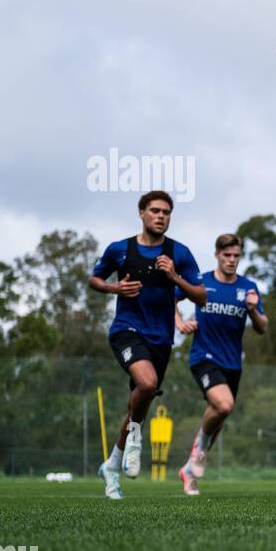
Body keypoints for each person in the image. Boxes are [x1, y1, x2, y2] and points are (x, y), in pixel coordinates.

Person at [89, 191, 205, 499]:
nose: (161, 216)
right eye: (155, 211)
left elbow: (201, 295)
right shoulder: (120, 249)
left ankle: (111, 467)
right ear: (141, 213)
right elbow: (94, 279)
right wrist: (114, 287)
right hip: (126, 331)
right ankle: (136, 440)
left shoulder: (179, 253)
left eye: (166, 212)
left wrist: (175, 277)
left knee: (138, 402)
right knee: (148, 383)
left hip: (161, 339)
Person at [174, 233, 268, 496]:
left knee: (220, 417)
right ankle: (199, 451)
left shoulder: (248, 288)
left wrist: (252, 309)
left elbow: (263, 327)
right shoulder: (201, 281)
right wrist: (180, 324)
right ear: (217, 254)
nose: (231, 260)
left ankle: (189, 472)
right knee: (225, 404)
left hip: (233, 363)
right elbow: (171, 299)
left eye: (236, 256)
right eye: (227, 255)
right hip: (203, 357)